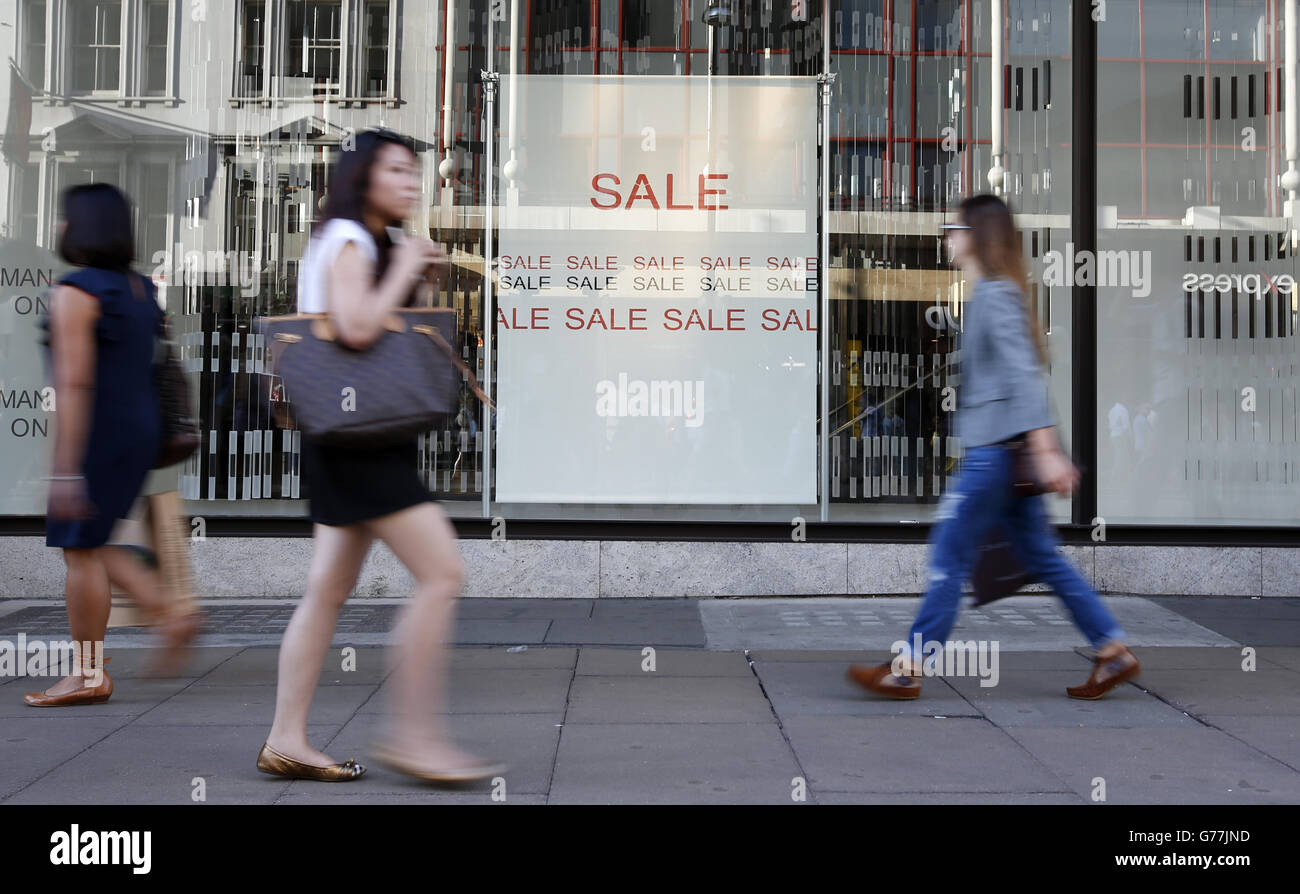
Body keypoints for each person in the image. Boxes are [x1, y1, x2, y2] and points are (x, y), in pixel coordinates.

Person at [258, 129, 503, 783]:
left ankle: (286, 738)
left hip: (349, 434)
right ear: (362, 177)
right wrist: (402, 268)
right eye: (395, 170)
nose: (410, 182)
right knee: (442, 573)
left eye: (413, 172)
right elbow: (359, 326)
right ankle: (414, 737)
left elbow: (388, 331)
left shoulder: (368, 242)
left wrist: (411, 273)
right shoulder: (348, 239)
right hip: (359, 439)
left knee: (328, 590)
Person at [847, 194, 1140, 700]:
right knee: (1044, 559)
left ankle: (909, 665)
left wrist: (1047, 449)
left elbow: (1026, 376)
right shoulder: (992, 292)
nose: (947, 237)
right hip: (1007, 455)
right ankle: (1111, 649)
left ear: (975, 236)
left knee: (948, 553)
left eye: (954, 228)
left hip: (995, 456)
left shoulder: (995, 296)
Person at [26, 184, 201, 707]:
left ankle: (90, 671)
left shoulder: (76, 292)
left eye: (64, 217)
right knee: (96, 543)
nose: (58, 227)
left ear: (81, 227)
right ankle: (167, 614)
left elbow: (74, 383)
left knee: (80, 550)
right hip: (138, 430)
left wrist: (64, 471)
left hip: (98, 432)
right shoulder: (140, 289)